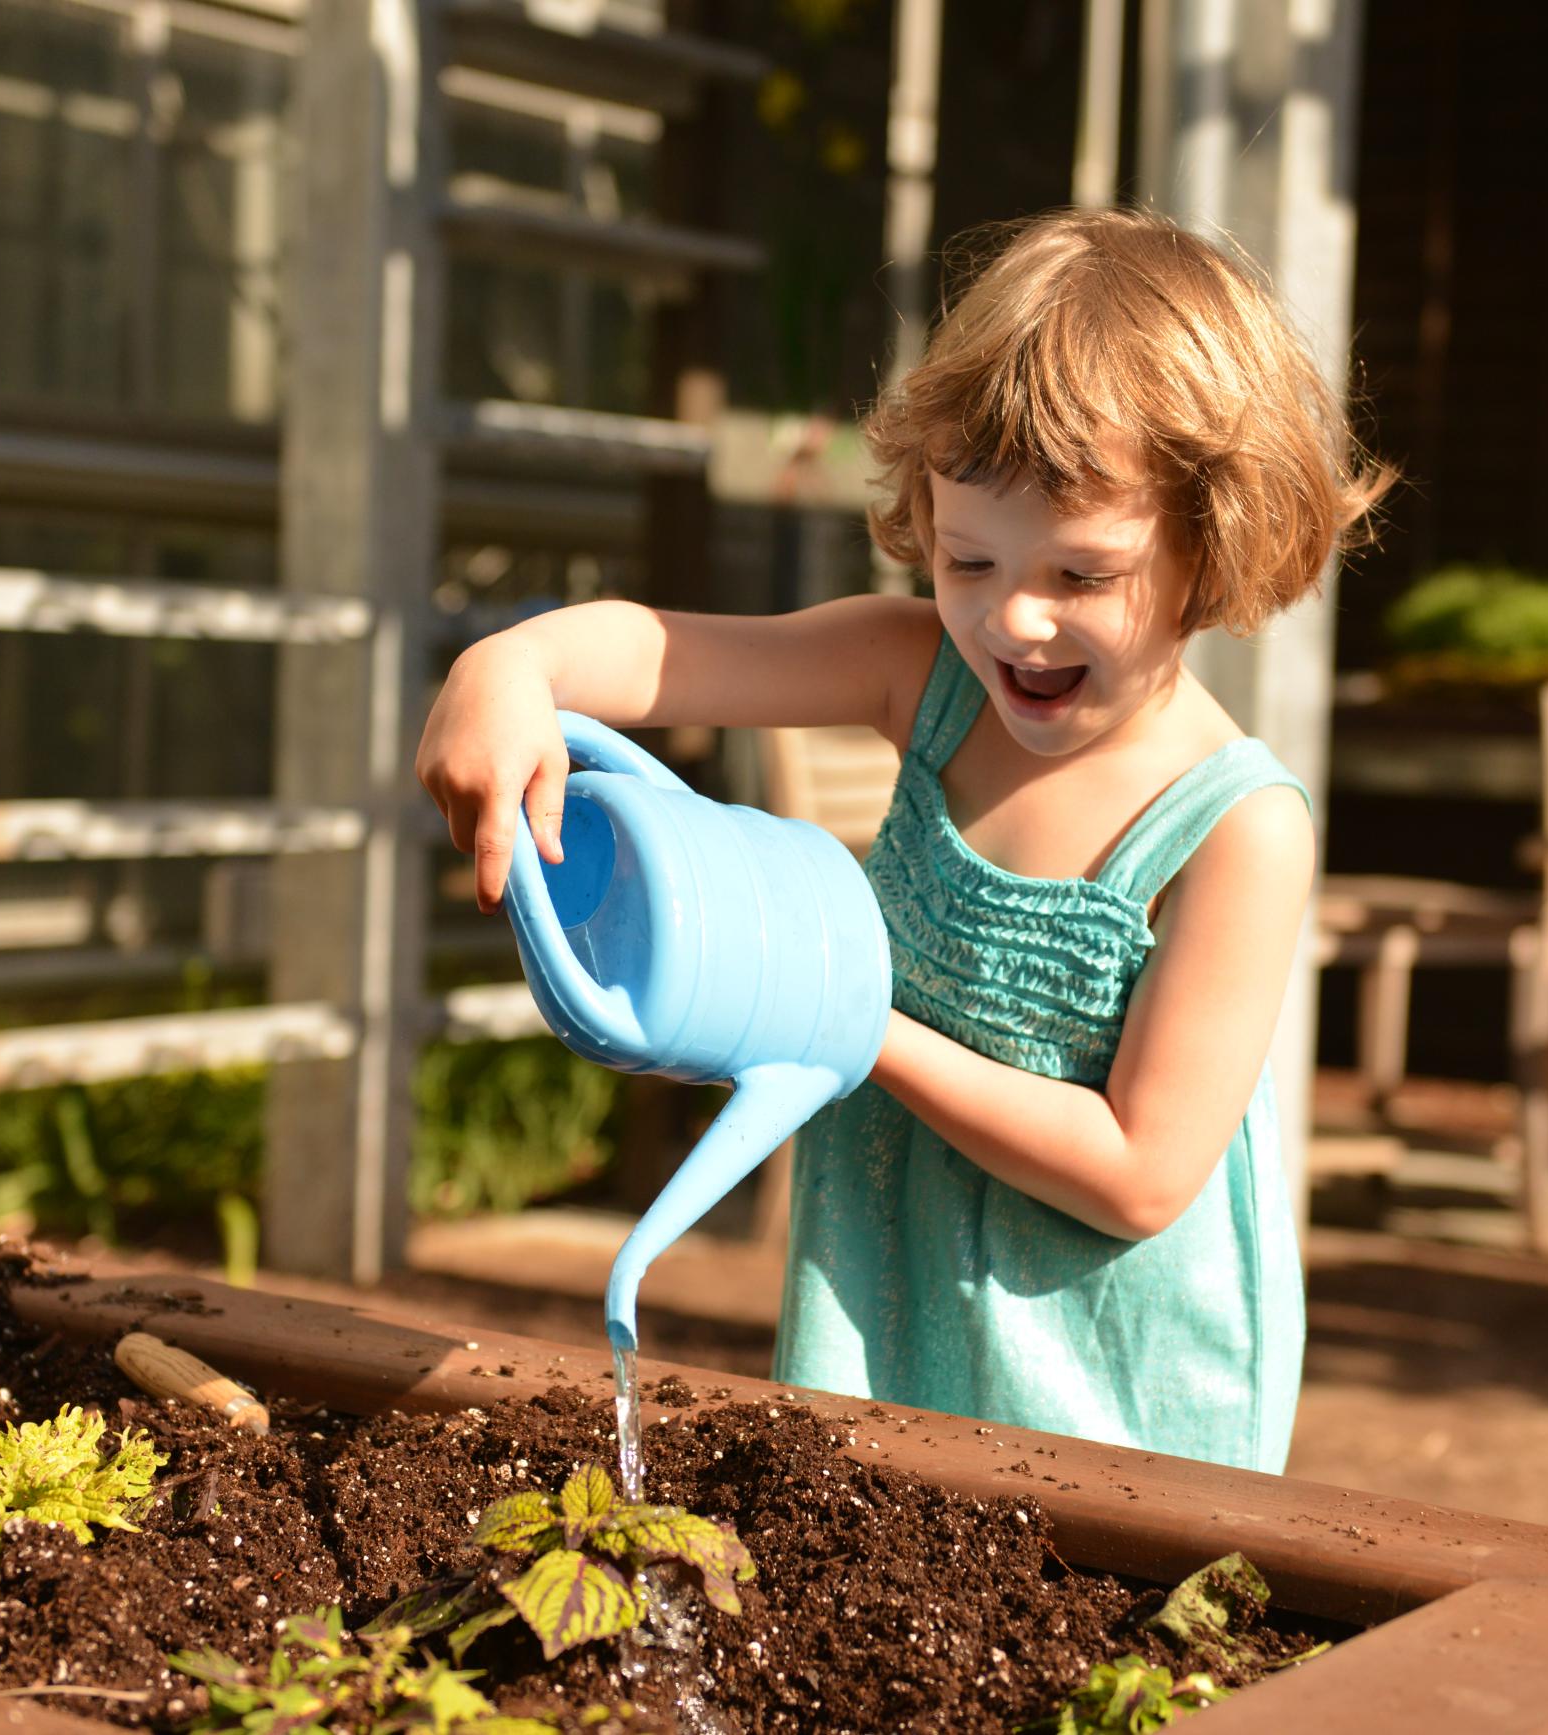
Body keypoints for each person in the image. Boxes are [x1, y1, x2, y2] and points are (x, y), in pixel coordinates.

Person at [417, 209, 1384, 1471]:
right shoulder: (916, 673)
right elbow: (666, 654)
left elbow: (1141, 1173)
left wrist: (855, 1027)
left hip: (1108, 1387)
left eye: (1081, 576)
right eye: (967, 557)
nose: (1012, 619)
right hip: (887, 1302)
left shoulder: (1231, 830)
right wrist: (511, 663)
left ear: (1216, 540)